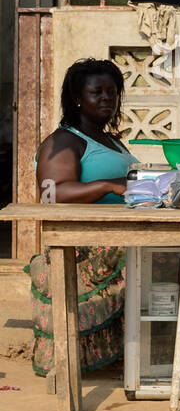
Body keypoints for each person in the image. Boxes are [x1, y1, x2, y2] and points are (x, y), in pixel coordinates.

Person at [28, 59, 139, 375]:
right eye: (97, 92)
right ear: (78, 97)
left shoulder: (111, 139)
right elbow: (51, 194)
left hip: (119, 235)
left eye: (112, 92)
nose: (107, 98)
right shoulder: (65, 141)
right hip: (85, 248)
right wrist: (108, 186)